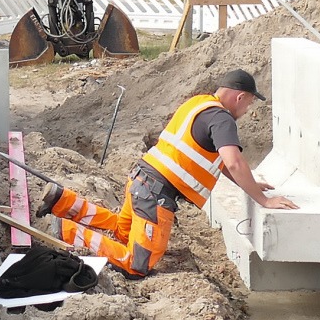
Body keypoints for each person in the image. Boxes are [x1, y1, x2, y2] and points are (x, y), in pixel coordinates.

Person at [36, 69, 298, 278]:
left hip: (142, 177)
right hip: (155, 194)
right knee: (137, 263)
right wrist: (264, 201)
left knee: (121, 229)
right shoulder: (222, 119)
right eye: (249, 103)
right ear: (239, 97)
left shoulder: (199, 104)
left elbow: (209, 159)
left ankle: (62, 201)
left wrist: (251, 184)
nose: (247, 111)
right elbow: (233, 163)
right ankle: (65, 230)